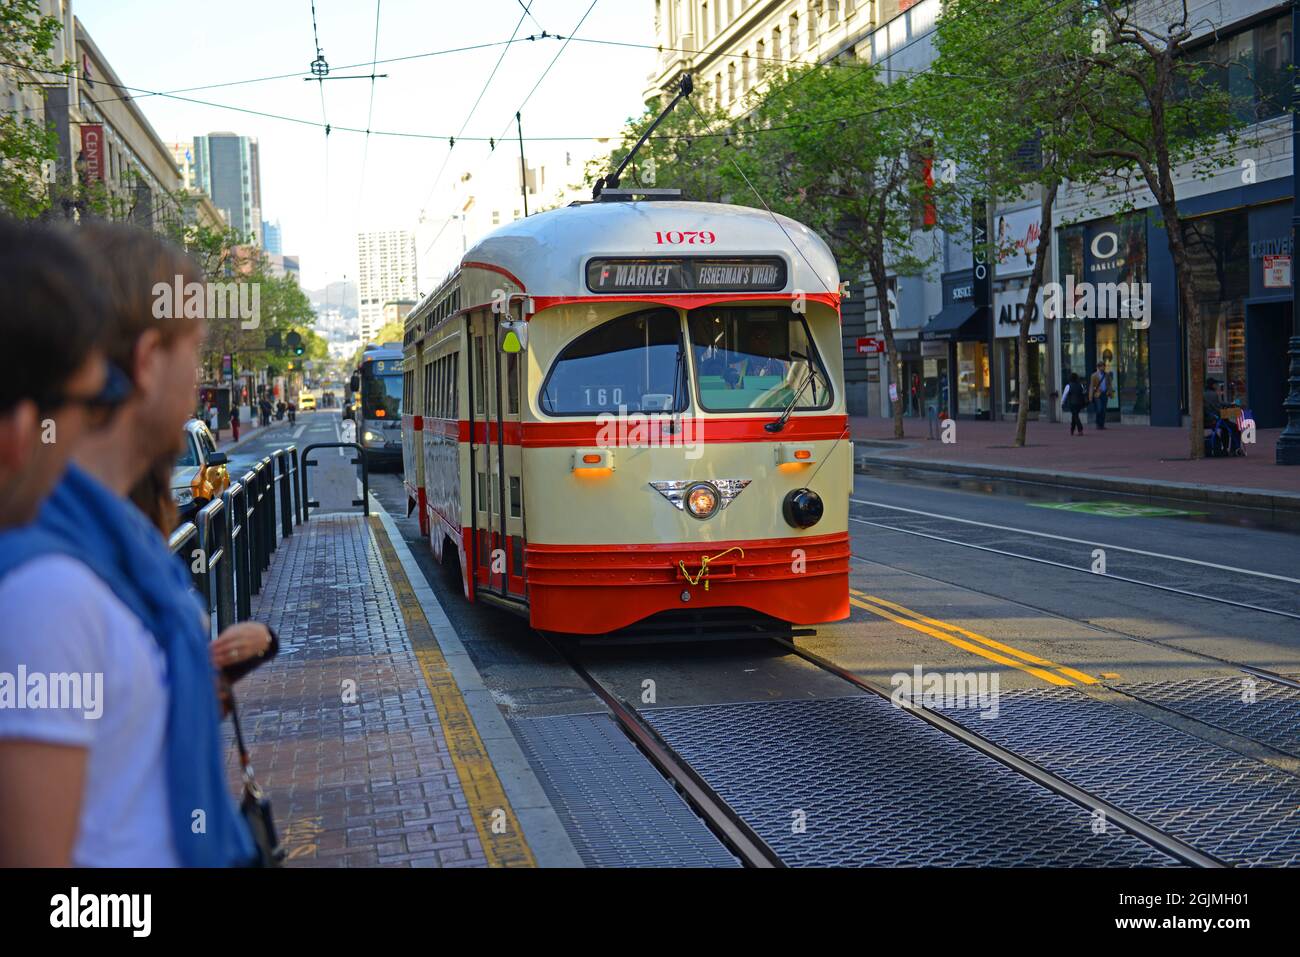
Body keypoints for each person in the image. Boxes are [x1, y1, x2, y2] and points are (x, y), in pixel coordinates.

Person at [2, 223, 274, 867]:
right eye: (197, 350)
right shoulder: (51, 591)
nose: (201, 375)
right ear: (150, 359)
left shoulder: (116, 551)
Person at [1062, 371, 1087, 436]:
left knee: (1075, 416)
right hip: (1079, 403)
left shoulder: (1068, 386)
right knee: (1074, 416)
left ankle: (1080, 429)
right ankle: (1072, 429)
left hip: (1072, 403)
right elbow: (1084, 392)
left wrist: (1062, 402)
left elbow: (1065, 395)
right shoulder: (1080, 385)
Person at [1088, 360, 1110, 430]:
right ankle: (1098, 424)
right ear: (1098, 367)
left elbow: (1109, 384)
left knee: (1104, 410)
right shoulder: (1094, 375)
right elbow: (1091, 386)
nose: (1102, 368)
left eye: (1103, 366)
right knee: (1099, 409)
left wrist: (1110, 392)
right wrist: (1090, 396)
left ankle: (1102, 424)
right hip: (1097, 394)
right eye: (1100, 366)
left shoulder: (1107, 375)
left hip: (1104, 393)